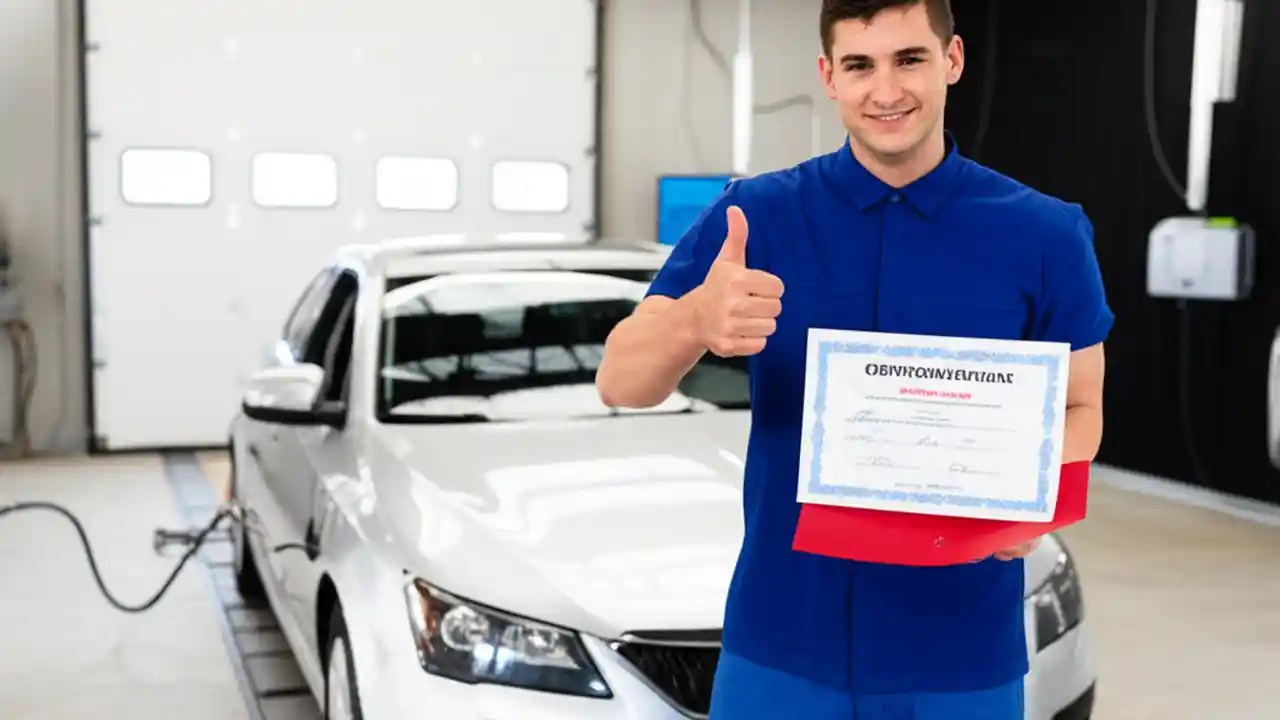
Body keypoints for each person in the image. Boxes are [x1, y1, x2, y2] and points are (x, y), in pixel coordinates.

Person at [595, 0, 1112, 717]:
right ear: (828, 75)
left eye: (910, 59)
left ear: (953, 60)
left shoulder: (1044, 235)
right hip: (782, 638)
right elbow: (621, 380)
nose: (886, 90)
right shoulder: (757, 218)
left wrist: (1033, 502)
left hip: (959, 647)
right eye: (860, 65)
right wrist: (694, 318)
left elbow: (1081, 409)